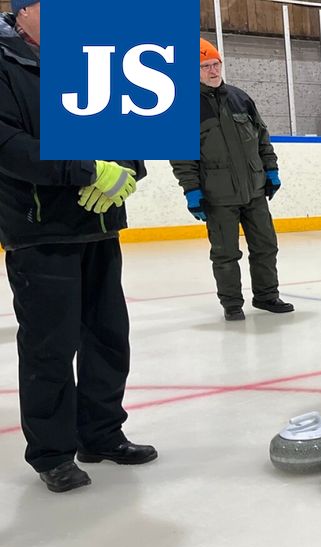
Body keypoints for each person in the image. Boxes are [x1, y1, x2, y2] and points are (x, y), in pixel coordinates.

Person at [1, 0, 157, 493]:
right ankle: (51, 452)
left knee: (109, 336)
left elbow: (129, 118)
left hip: (99, 224)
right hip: (40, 227)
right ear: (22, 10)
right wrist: (88, 169)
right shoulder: (6, 63)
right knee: (50, 345)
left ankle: (102, 433)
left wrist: (128, 168)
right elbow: (8, 144)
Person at [170, 39, 294, 322]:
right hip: (217, 195)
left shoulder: (241, 98)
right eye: (205, 66)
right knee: (226, 253)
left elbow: (262, 138)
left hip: (254, 190)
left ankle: (266, 296)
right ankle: (232, 304)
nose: (213, 70)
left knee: (266, 246)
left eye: (216, 64)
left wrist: (271, 171)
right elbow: (181, 158)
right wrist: (192, 191)